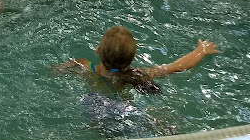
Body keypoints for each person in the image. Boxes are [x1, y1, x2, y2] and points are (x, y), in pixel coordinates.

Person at [55, 26, 219, 95]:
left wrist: (59, 69)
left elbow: (61, 68)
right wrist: (201, 51)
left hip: (93, 106)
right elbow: (175, 67)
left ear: (98, 51)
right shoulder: (134, 75)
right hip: (121, 109)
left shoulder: (83, 65)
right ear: (133, 59)